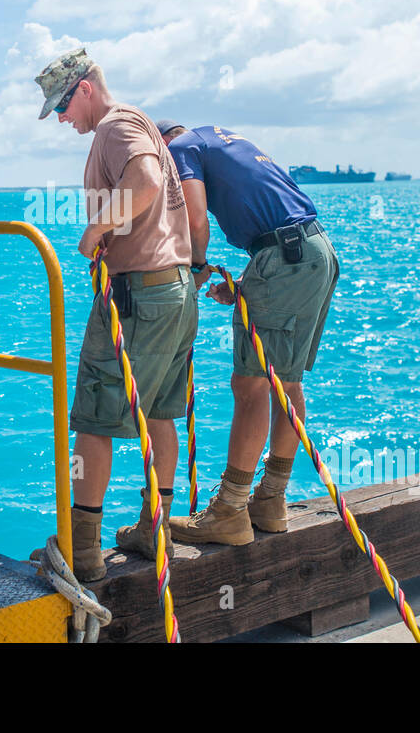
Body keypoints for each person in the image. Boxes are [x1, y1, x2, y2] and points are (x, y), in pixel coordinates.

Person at [34, 49, 197, 582]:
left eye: (61, 104)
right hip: (175, 290)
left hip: (138, 296)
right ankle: (158, 529)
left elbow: (146, 181)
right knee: (159, 413)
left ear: (84, 88)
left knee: (94, 419)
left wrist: (97, 229)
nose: (61, 117)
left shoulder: (113, 126)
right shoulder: (141, 123)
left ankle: (81, 549)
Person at [157, 121, 339, 546]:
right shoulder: (223, 140)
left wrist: (196, 268)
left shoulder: (181, 149)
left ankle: (230, 510)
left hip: (283, 257)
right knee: (286, 382)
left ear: (165, 142)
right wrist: (250, 285)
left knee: (251, 386)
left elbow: (196, 220)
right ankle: (270, 501)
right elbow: (276, 214)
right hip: (314, 252)